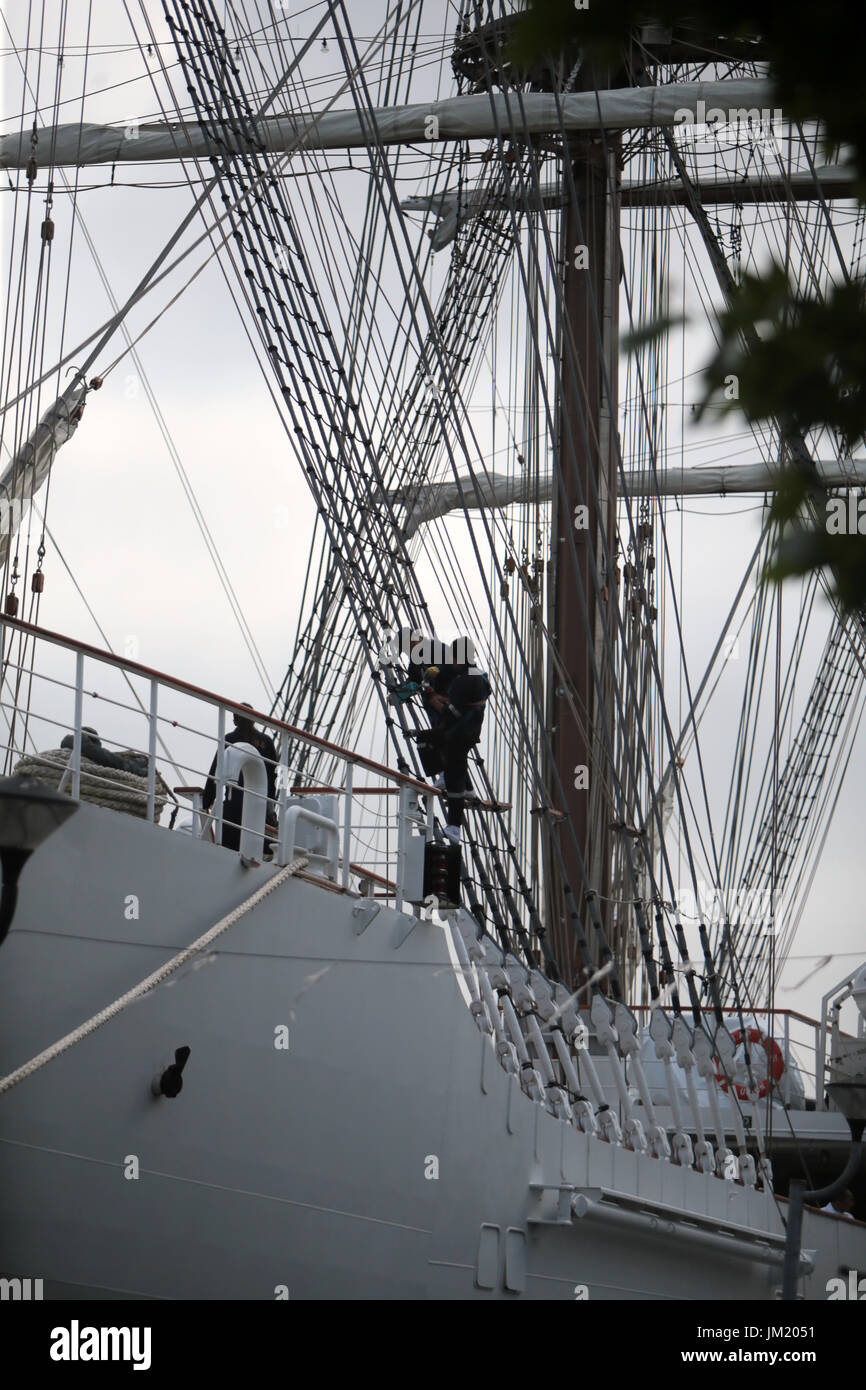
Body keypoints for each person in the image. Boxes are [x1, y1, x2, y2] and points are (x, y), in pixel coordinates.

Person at [414, 651, 490, 845]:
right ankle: (467, 788)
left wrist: (434, 699)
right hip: (469, 732)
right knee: (431, 743)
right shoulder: (478, 677)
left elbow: (452, 713)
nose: (451, 662)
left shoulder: (463, 682)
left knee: (454, 780)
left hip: (458, 734)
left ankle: (454, 828)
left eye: (454, 658)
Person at [202, 704, 278, 851]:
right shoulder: (266, 742)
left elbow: (214, 774)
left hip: (233, 808)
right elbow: (275, 778)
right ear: (253, 720)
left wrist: (206, 802)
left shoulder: (230, 739)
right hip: (259, 811)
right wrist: (271, 808)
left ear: (235, 720)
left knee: (228, 848)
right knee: (260, 849)